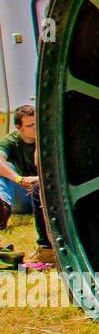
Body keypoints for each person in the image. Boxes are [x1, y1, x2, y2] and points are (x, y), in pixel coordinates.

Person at [0, 103, 51, 252]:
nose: (35, 128)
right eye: (30, 126)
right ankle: (2, 210)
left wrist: (35, 180)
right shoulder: (11, 141)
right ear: (18, 127)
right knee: (5, 166)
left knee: (39, 186)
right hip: (21, 194)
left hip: (41, 192)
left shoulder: (47, 140)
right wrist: (18, 179)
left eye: (37, 123)